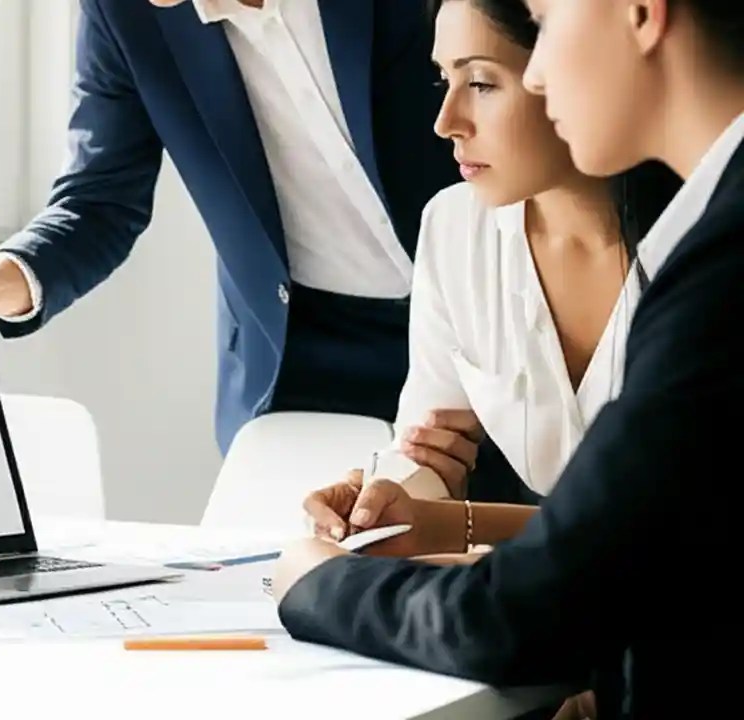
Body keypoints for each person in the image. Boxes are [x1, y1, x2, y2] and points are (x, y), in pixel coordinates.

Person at [271, 0, 744, 716]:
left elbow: (521, 616)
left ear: (641, 12)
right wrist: (424, 514)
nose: (544, 72)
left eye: (546, 23)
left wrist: (316, 583)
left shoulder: (717, 261)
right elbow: (634, 534)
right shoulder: (464, 230)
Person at [0, 0, 495, 473]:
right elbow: (102, 197)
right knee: (299, 590)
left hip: (488, 318)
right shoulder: (124, 13)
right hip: (299, 353)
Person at [325, 0, 679, 507]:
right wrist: (379, 501)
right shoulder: (454, 227)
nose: (445, 122)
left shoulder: (702, 235)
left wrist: (464, 525)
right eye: (443, 80)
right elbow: (430, 449)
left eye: (481, 83)